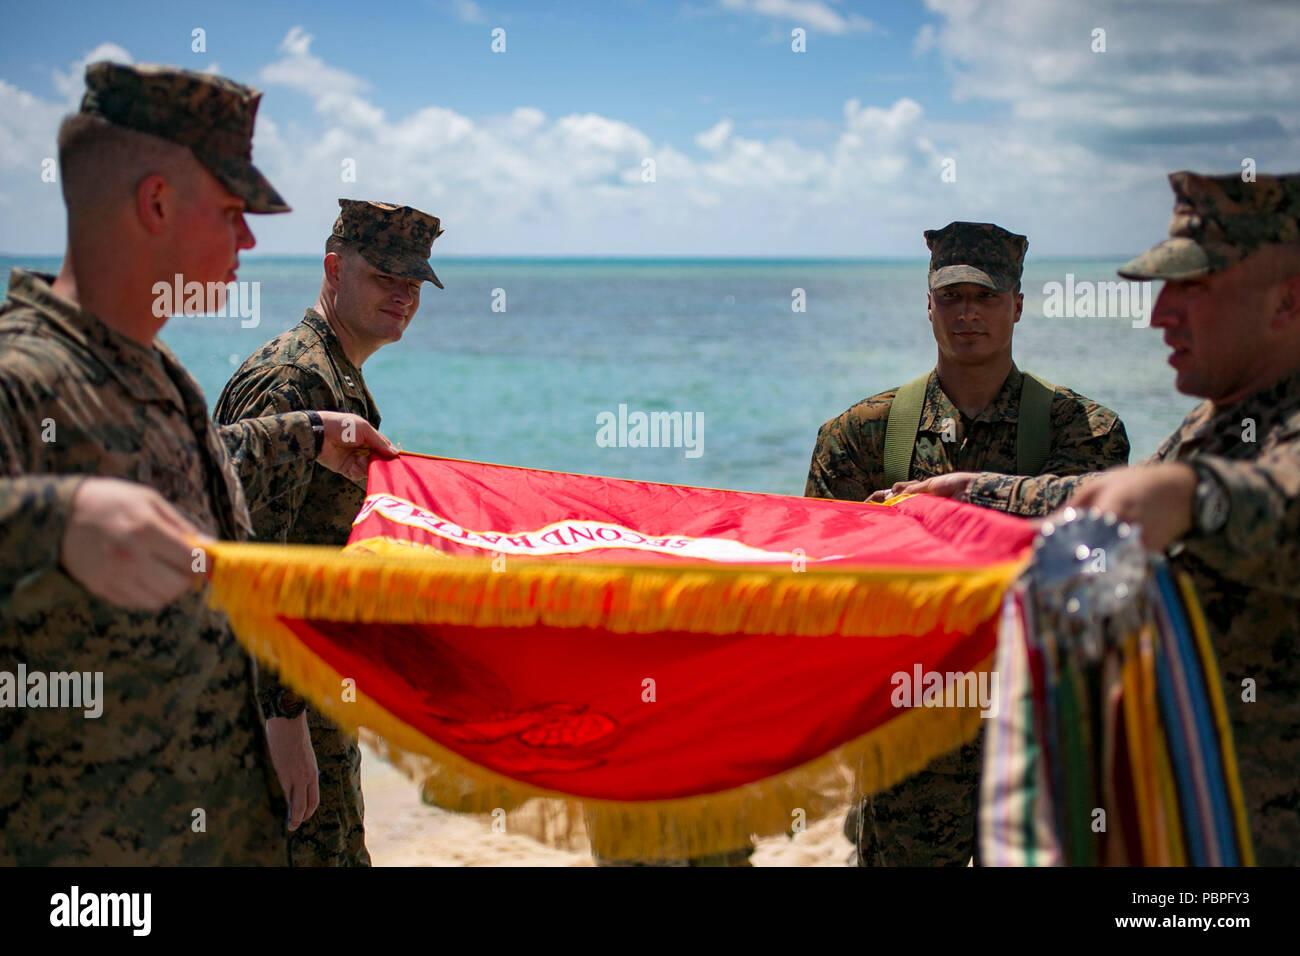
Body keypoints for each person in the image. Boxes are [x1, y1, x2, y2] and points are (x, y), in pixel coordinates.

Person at [0, 61, 396, 864]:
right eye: (232, 212)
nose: (248, 240)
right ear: (156, 203)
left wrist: (307, 431)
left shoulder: (151, 372)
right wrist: (57, 520)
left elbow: (203, 467)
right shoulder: (26, 376)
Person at [886, 171, 1300, 865]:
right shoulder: (1224, 416)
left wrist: (1197, 496)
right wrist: (974, 490)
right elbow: (1112, 497)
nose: (1160, 315)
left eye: (1194, 288)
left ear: (1286, 299)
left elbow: (1275, 498)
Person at [805, 221, 1130, 866]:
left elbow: (1094, 556)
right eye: (951, 297)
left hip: (1040, 726)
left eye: (985, 297)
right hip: (911, 737)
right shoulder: (861, 435)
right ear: (928, 306)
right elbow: (818, 577)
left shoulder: (1083, 430)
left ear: (1017, 306)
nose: (967, 314)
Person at [214, 198, 446, 866]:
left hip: (312, 692)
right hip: (275, 705)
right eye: (385, 276)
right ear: (334, 270)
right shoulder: (295, 380)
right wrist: (281, 720)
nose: (403, 295)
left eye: (414, 281)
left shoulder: (336, 375)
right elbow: (252, 566)